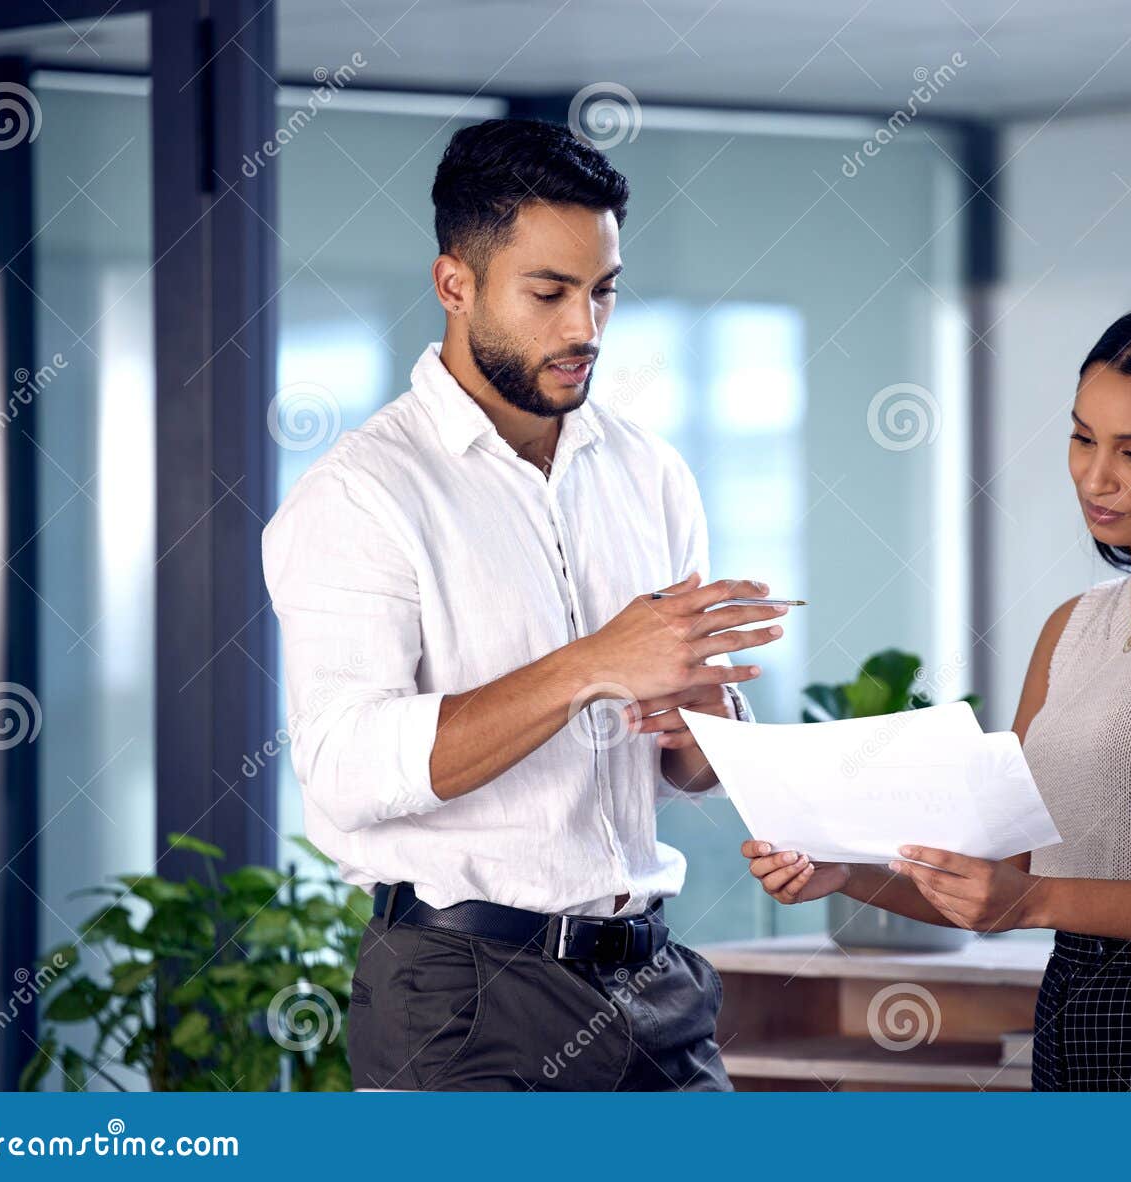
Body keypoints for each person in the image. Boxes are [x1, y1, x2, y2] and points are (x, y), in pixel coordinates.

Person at [264, 118, 786, 1091]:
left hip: (651, 984)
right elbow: (344, 769)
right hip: (463, 997)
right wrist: (590, 665)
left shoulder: (649, 472)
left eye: (603, 291)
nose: (583, 327)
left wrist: (698, 721)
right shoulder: (362, 494)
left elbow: (686, 773)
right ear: (454, 285)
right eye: (548, 293)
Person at [744, 299, 1131, 1092]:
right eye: (1082, 438)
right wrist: (843, 872)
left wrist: (1034, 902)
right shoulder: (1071, 626)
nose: (1095, 478)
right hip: (1070, 1024)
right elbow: (997, 875)